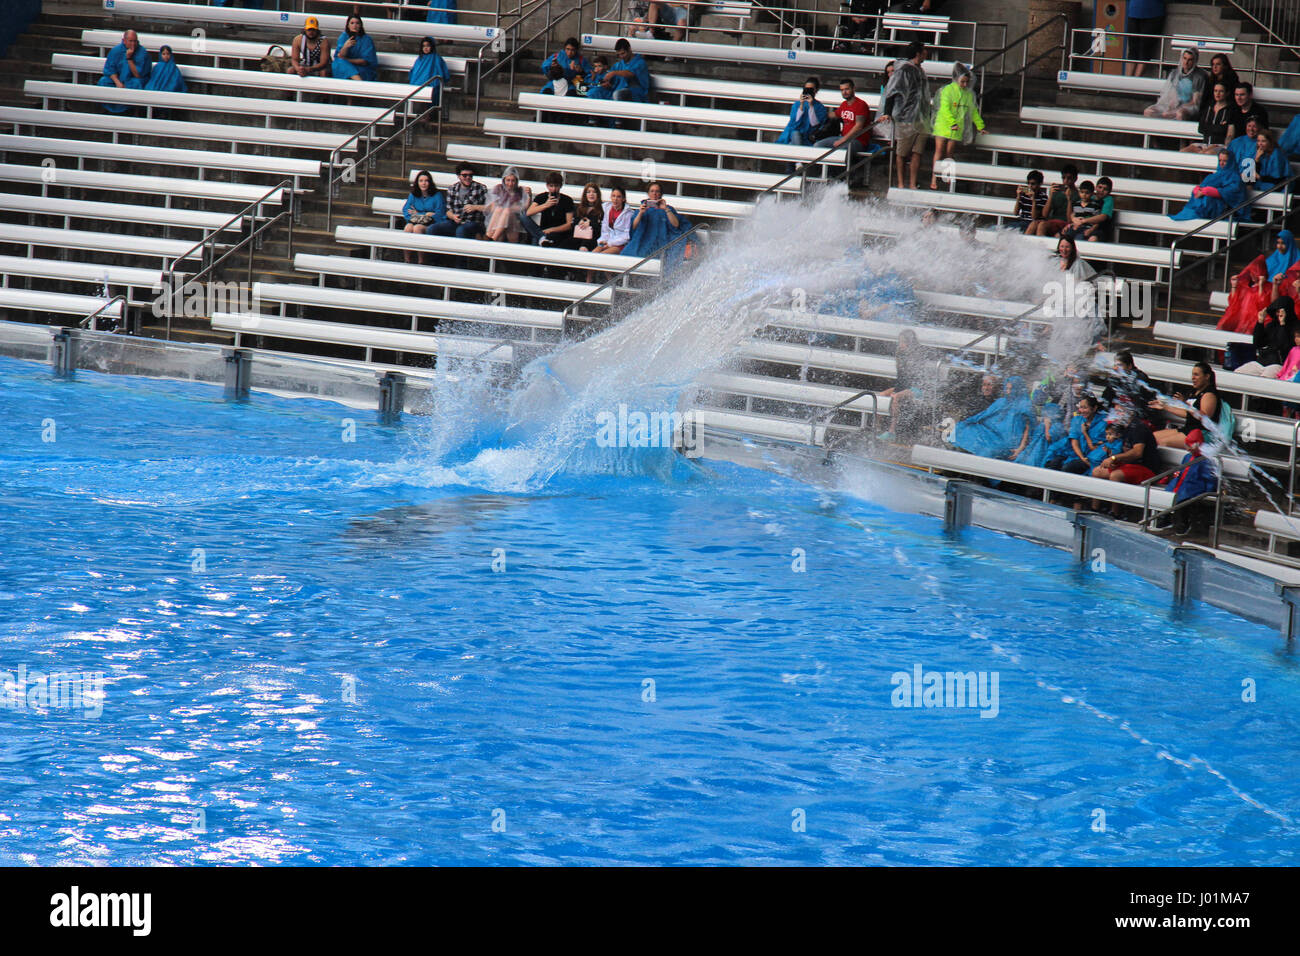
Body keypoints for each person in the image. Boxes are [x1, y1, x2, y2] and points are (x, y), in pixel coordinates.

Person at [1218, 229, 1300, 334]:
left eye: (1283, 243)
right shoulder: (1272, 260)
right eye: (1278, 243)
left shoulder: (1297, 260)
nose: (1279, 246)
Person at [1090, 406, 1162, 516]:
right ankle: (1094, 509)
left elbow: (1138, 452)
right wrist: (1113, 458)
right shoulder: (1123, 428)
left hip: (1146, 468)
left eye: (1119, 411)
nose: (1115, 414)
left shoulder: (1138, 428)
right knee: (1097, 471)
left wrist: (1114, 458)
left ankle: (1116, 513)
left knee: (1115, 475)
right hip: (1129, 466)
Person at [881, 41, 930, 190]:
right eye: (924, 50)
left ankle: (912, 183)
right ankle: (901, 183)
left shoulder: (920, 70)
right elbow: (891, 92)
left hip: (921, 118)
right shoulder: (904, 70)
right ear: (918, 53)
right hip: (905, 118)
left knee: (917, 151)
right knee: (901, 152)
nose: (926, 53)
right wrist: (887, 113)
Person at [951, 375, 1033, 461]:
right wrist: (965, 423)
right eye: (1007, 388)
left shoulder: (1025, 405)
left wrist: (1021, 448)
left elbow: (1029, 428)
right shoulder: (1002, 401)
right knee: (963, 429)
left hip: (1010, 443)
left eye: (1011, 389)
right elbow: (983, 415)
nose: (1008, 392)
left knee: (989, 451)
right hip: (994, 435)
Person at [929, 63, 984, 189]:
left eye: (966, 82)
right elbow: (944, 109)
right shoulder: (947, 90)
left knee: (950, 152)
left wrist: (980, 126)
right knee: (939, 150)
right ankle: (934, 177)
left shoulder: (969, 94)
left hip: (957, 127)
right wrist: (951, 122)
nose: (965, 85)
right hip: (944, 125)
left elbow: (973, 111)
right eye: (962, 82)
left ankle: (947, 175)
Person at [814, 77, 875, 188]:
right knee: (818, 145)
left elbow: (858, 126)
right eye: (842, 90)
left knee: (842, 150)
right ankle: (828, 176)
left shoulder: (861, 104)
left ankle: (843, 179)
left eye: (847, 89)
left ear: (853, 89)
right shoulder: (844, 105)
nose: (844, 92)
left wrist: (842, 140)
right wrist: (814, 105)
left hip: (858, 141)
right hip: (843, 139)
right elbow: (831, 115)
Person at [1156, 428, 1218, 535]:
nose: (1188, 449)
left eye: (1190, 446)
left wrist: (1208, 491)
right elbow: (1182, 470)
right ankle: (1163, 519)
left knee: (1182, 500)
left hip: (1194, 486)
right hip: (1182, 483)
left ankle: (1181, 525)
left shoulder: (1206, 461)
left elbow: (1210, 479)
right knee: (1167, 494)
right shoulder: (1187, 457)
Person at [877, 329, 932, 444]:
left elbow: (915, 382)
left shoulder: (917, 358)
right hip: (903, 387)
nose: (901, 344)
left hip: (917, 389)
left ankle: (892, 431)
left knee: (896, 397)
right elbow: (900, 380)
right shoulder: (900, 355)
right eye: (900, 341)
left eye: (903, 342)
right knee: (880, 396)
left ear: (910, 343)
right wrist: (894, 390)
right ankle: (877, 428)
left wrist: (896, 393)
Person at [1150, 361, 1221, 449]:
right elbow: (1187, 414)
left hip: (1202, 433)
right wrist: (1164, 407)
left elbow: (1205, 417)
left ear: (1207, 376)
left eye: (1196, 375)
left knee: (1161, 442)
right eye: (1192, 375)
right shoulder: (1195, 392)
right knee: (1150, 438)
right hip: (1189, 429)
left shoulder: (1209, 394)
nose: (1193, 378)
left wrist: (1186, 404)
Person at [622, 181, 691, 264]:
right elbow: (634, 226)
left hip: (663, 241)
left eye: (657, 191)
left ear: (661, 194)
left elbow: (675, 225)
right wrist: (641, 213)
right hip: (645, 241)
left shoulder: (668, 208)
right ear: (648, 193)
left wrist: (666, 209)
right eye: (652, 191)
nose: (654, 194)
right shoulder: (641, 208)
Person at [1171, 149, 1247, 221]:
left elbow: (1232, 193)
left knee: (1207, 199)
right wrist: (1197, 189)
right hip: (1207, 205)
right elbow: (1202, 186)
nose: (1221, 163)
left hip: (1222, 208)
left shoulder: (1235, 177)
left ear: (1230, 161)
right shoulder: (1215, 175)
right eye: (1220, 160)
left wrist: (1207, 191)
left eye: (1225, 161)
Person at [1234, 297, 1298, 376]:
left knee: (1265, 378)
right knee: (1238, 373)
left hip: (1280, 364)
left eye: (1281, 312)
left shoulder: (1296, 326)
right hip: (1262, 362)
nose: (1279, 314)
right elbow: (1258, 343)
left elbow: (1283, 345)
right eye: (1277, 312)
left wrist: (1282, 325)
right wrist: (1260, 322)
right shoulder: (1272, 325)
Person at [1143, 47, 1206, 120]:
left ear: (1195, 61)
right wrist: (1170, 107)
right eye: (1185, 58)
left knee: (1179, 114)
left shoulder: (1199, 76)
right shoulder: (1175, 73)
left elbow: (1195, 101)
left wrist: (1178, 108)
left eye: (1190, 60)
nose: (1186, 62)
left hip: (1189, 106)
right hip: (1175, 104)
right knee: (1148, 112)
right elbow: (1171, 95)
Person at [1051, 394, 1107, 474]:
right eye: (1080, 407)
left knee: (1067, 468)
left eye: (1085, 407)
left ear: (1094, 408)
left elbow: (1095, 448)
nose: (1082, 411)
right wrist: (1082, 457)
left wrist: (1085, 433)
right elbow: (1074, 441)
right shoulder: (1077, 420)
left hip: (1093, 457)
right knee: (1053, 463)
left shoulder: (1103, 423)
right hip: (1076, 453)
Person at [98, 29, 151, 113]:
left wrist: (129, 58)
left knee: (137, 83)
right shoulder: (116, 50)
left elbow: (138, 74)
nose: (133, 44)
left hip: (132, 79)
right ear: (124, 40)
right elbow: (110, 69)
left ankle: (129, 111)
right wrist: (117, 82)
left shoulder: (142, 52)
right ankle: (108, 110)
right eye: (130, 41)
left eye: (135, 41)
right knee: (103, 81)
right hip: (118, 79)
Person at [400, 170, 446, 265]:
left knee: (417, 228)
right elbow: (406, 210)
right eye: (421, 181)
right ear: (417, 182)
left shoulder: (437, 195)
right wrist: (425, 214)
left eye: (426, 181)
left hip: (432, 224)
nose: (423, 183)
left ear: (430, 182)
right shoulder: (413, 195)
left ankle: (421, 261)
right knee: (408, 227)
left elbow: (440, 213)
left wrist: (419, 213)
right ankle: (407, 260)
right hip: (415, 221)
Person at [434, 163, 488, 240]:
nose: (468, 177)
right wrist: (453, 216)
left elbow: (489, 208)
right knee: (433, 228)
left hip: (474, 222)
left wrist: (475, 207)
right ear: (459, 176)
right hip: (455, 222)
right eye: (464, 175)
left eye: (470, 175)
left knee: (461, 230)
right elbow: (448, 211)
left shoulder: (481, 188)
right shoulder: (452, 188)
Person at [520, 171, 575, 247]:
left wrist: (551, 230)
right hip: (542, 231)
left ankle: (541, 238)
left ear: (560, 186)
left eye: (556, 186)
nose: (554, 189)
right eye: (551, 186)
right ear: (547, 186)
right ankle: (542, 238)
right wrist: (546, 205)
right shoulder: (541, 197)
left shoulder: (567, 200)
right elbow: (528, 213)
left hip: (557, 233)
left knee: (536, 238)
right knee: (523, 216)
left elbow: (569, 225)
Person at [1025, 164, 1080, 237]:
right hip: (1052, 222)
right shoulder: (1057, 193)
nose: (1065, 181)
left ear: (1075, 179)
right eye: (1063, 178)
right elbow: (1044, 214)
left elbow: (1069, 219)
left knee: (1042, 225)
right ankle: (1022, 245)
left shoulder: (1078, 196)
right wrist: (1051, 196)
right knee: (1034, 224)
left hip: (1065, 223)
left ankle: (1039, 247)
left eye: (1069, 178)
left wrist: (1069, 199)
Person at [482, 168, 532, 242]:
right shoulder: (500, 189)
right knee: (499, 209)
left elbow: (525, 208)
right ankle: (490, 235)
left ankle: (491, 237)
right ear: (504, 180)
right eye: (508, 180)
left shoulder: (520, 191)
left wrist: (529, 196)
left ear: (516, 181)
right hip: (500, 222)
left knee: (507, 210)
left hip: (516, 223)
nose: (510, 183)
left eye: (513, 180)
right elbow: (491, 208)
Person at [776, 77, 829, 147]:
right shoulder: (797, 104)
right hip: (795, 136)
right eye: (806, 89)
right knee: (795, 134)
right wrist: (801, 105)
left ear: (816, 90)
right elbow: (794, 123)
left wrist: (811, 106)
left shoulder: (820, 107)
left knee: (793, 144)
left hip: (809, 138)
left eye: (811, 89)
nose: (808, 91)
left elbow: (815, 124)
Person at [1182, 81, 1232, 154]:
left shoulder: (1230, 110)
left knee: (1206, 153)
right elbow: (1201, 128)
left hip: (1219, 145)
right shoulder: (1208, 108)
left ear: (1227, 93)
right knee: (1183, 151)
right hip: (1204, 144)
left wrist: (1209, 127)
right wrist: (1218, 127)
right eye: (1215, 91)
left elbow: (1224, 131)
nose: (1217, 94)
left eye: (1221, 91)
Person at [1125, 0, 1165, 78]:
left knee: (1145, 50)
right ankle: (1126, 81)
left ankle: (1135, 82)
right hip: (1134, 11)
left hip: (1153, 13)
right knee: (1132, 49)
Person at [332, 15, 378, 82]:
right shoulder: (343, 36)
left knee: (342, 64)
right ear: (348, 25)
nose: (355, 25)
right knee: (338, 63)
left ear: (360, 25)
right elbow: (340, 56)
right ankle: (360, 82)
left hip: (362, 68)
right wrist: (345, 47)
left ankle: (360, 82)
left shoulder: (367, 39)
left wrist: (347, 60)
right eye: (352, 23)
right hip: (345, 65)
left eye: (357, 23)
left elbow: (365, 61)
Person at [593, 185, 634, 254]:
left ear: (623, 199)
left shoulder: (628, 214)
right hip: (607, 241)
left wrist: (610, 243)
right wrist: (603, 241)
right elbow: (605, 229)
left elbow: (626, 235)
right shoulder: (606, 208)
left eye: (618, 196)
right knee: (593, 253)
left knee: (602, 256)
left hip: (620, 244)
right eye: (613, 196)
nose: (615, 199)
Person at [572, 183, 603, 251]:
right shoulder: (579, 208)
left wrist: (590, 223)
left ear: (598, 194)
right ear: (585, 195)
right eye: (588, 192)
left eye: (594, 192)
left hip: (592, 238)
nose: (591, 194)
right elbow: (573, 224)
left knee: (583, 247)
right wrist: (579, 222)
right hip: (578, 236)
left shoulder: (602, 209)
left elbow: (602, 228)